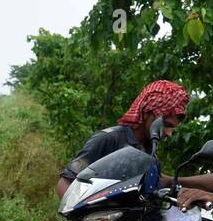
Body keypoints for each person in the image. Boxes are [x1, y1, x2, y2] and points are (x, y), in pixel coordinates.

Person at [55, 80, 189, 199]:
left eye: (173, 128)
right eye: (167, 125)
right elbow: (65, 184)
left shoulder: (149, 153)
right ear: (148, 113)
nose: (169, 133)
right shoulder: (108, 139)